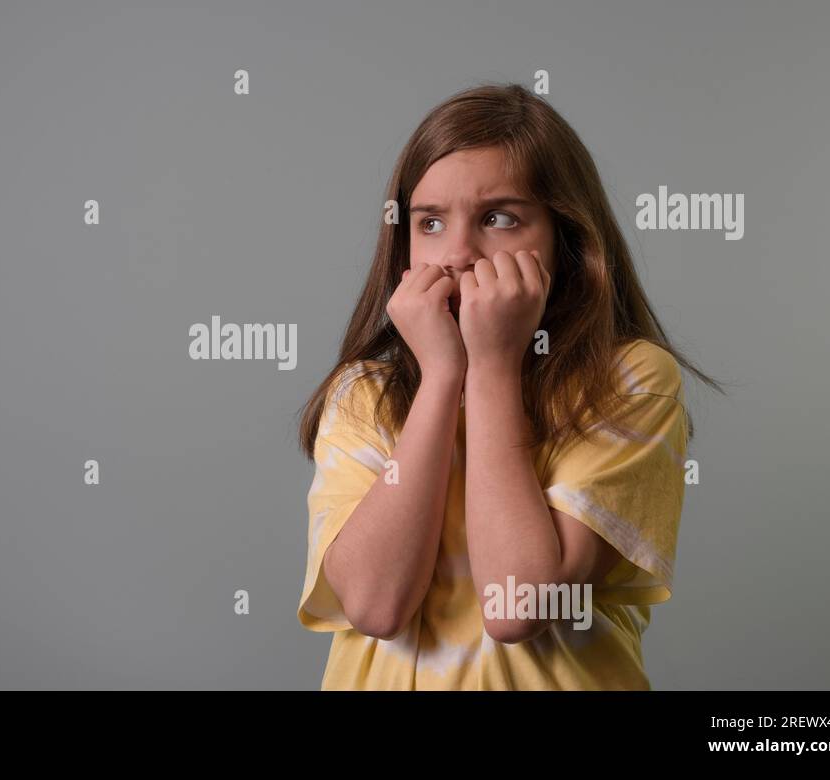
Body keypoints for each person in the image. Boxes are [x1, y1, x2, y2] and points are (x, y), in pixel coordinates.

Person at [295, 83, 726, 690]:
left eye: (499, 218)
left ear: (567, 238)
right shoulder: (363, 393)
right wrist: (445, 377)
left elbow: (517, 606)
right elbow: (374, 605)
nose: (459, 252)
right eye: (431, 222)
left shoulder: (632, 379)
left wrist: (492, 367)